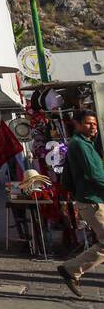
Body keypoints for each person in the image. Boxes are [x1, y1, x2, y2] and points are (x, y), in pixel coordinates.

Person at [57, 111, 104, 297]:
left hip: (95, 199)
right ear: (76, 124)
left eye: (94, 124)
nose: (93, 127)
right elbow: (94, 174)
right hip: (92, 202)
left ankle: (72, 270)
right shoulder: (79, 144)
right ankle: (71, 269)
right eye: (88, 123)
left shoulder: (86, 143)